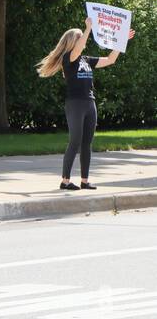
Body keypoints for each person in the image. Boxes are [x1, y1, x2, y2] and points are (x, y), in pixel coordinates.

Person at [36, 16, 136, 190]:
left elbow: (110, 60)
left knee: (86, 143)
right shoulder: (69, 58)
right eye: (79, 36)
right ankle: (65, 181)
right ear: (71, 41)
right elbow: (78, 48)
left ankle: (84, 180)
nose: (82, 39)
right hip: (75, 103)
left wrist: (120, 42)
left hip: (90, 103)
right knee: (75, 141)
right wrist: (88, 28)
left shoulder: (86, 59)